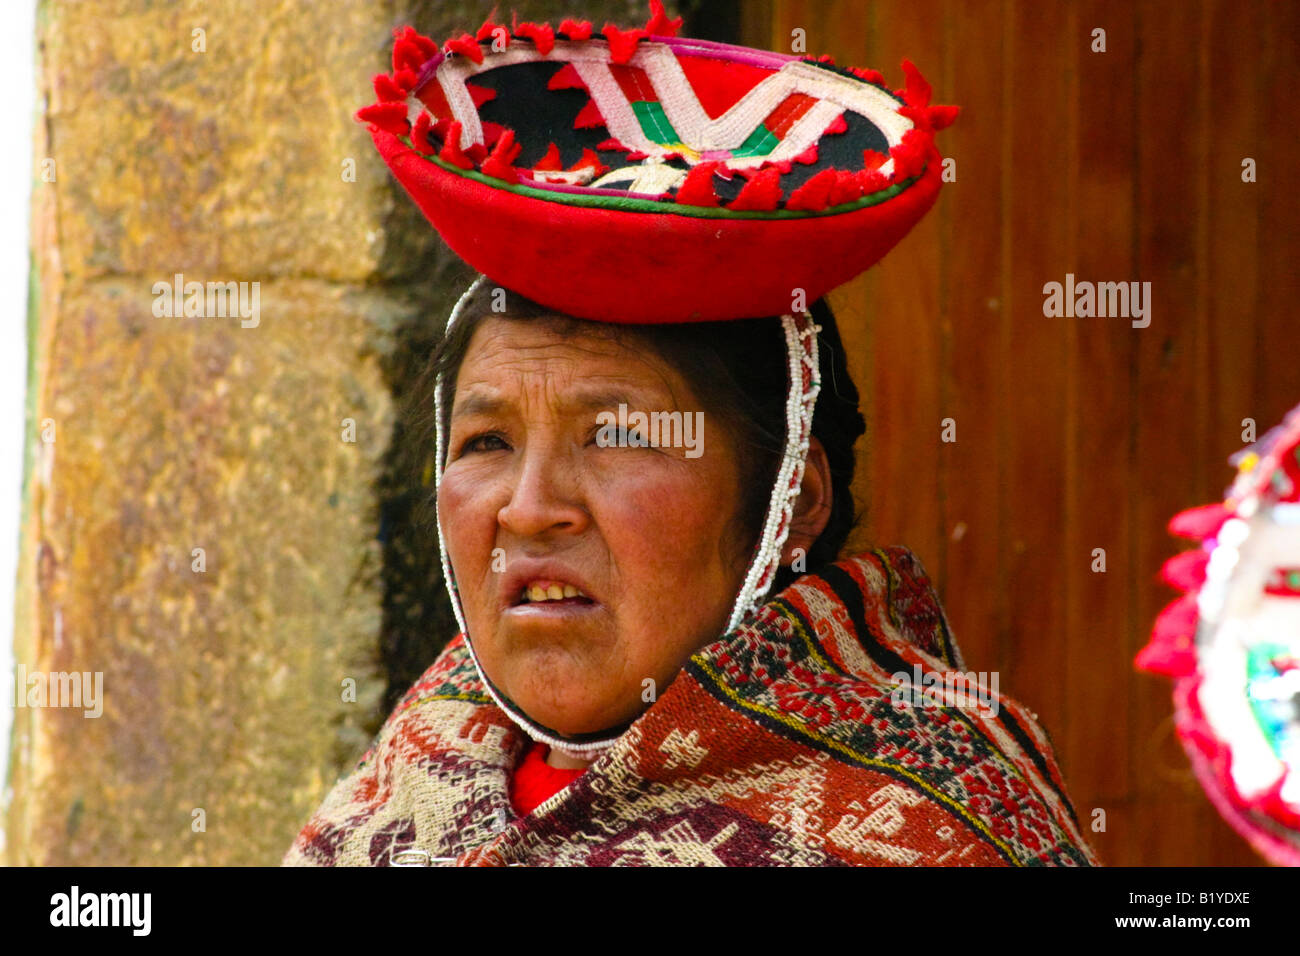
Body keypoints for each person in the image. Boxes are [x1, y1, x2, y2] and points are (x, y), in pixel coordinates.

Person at [283, 5, 1099, 866]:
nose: (529, 510)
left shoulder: (929, 829)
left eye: (617, 436)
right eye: (487, 442)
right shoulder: (419, 762)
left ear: (794, 503)